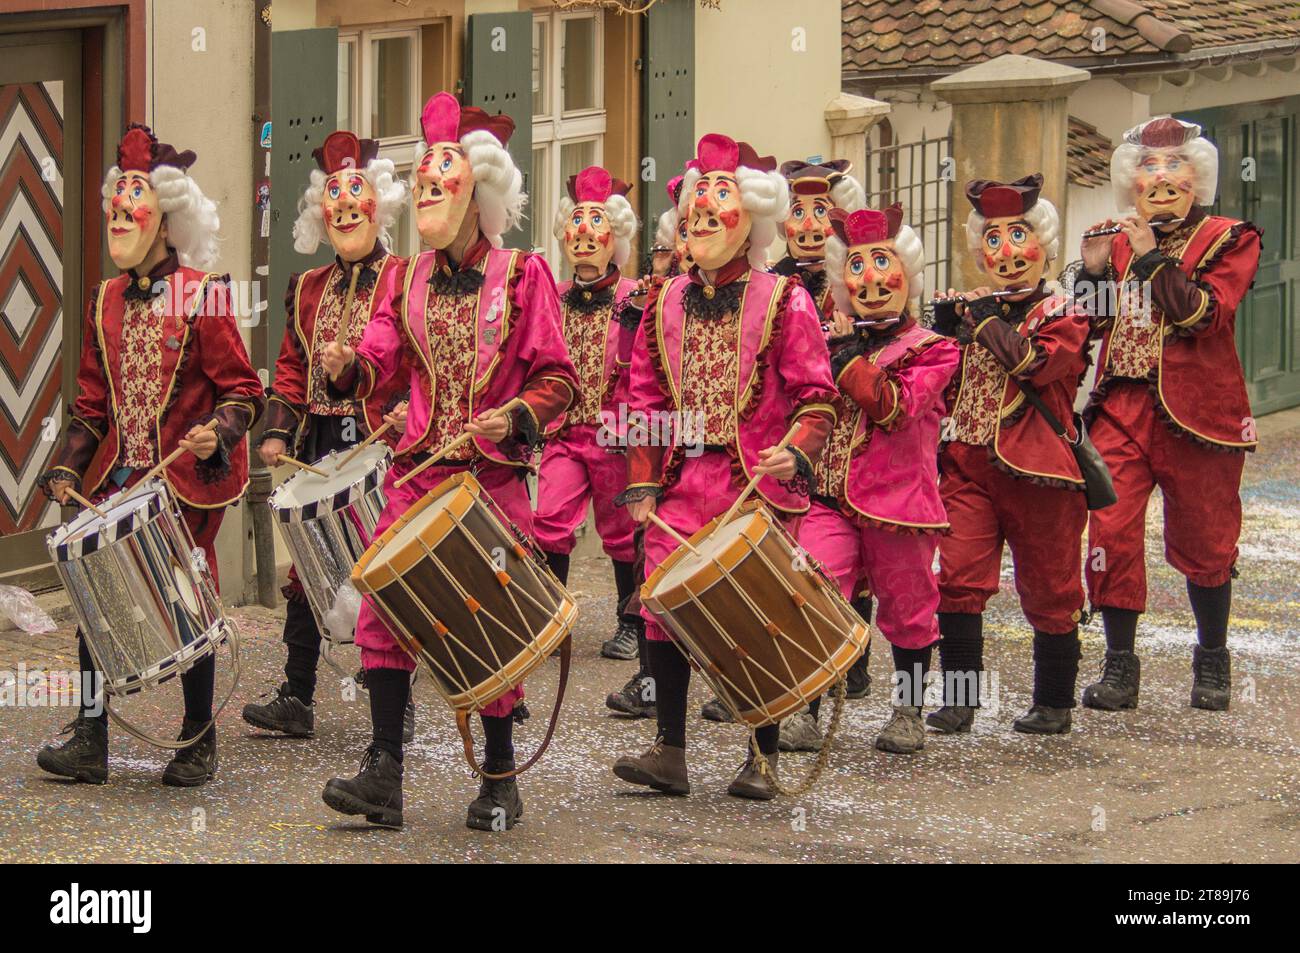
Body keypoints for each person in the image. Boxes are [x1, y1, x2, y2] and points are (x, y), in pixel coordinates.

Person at [318, 93, 578, 831]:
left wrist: (519, 412)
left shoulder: (525, 275)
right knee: (383, 611)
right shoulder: (402, 277)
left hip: (490, 480)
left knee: (487, 621)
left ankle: (500, 776)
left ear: (480, 192)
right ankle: (384, 773)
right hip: (418, 473)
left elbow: (559, 379)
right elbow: (378, 357)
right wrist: (346, 367)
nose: (428, 191)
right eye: (423, 181)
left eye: (445, 180)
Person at [611, 132, 836, 801]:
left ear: (754, 220)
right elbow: (644, 399)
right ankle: (670, 751)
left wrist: (795, 448)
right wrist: (644, 484)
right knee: (659, 606)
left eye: (719, 203)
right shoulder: (664, 301)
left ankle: (761, 757)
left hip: (756, 486)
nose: (701, 217)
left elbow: (816, 395)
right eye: (693, 208)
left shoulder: (786, 298)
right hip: (683, 482)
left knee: (758, 617)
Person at [36, 123, 263, 786]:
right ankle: (90, 736)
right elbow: (88, 401)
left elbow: (245, 391)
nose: (120, 216)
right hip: (120, 476)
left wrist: (217, 430)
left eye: (134, 204)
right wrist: (65, 467)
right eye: (115, 204)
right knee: (93, 590)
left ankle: (198, 738)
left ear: (167, 219)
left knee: (186, 595)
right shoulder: (103, 299)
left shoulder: (207, 292)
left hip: (185, 479)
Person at [1075, 117, 1261, 712]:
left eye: (1176, 165)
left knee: (1206, 537)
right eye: (1149, 167)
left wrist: (1153, 259)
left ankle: (1212, 662)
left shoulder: (1231, 237)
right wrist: (1093, 273)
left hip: (1200, 411)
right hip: (1124, 404)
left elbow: (1200, 314)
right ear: (1130, 179)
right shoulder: (1118, 237)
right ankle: (1120, 667)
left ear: (1198, 176)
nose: (1161, 178)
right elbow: (1090, 324)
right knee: (1110, 531)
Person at [242, 129, 412, 739]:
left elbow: (422, 361)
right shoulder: (307, 287)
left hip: (379, 443)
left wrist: (407, 410)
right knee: (306, 570)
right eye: (333, 200)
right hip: (318, 445)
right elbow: (290, 365)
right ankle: (298, 693)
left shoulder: (404, 278)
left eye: (356, 197)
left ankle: (398, 705)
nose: (344, 209)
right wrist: (278, 430)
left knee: (379, 568)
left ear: (379, 205)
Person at [929, 174, 1092, 737]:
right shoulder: (972, 309)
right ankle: (960, 700)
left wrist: (983, 323)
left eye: (1017, 235)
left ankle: (1053, 703)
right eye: (992, 240)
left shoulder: (1066, 311)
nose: (1006, 253)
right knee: (957, 582)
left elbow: (1034, 364)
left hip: (1041, 473)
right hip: (967, 467)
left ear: (1043, 242)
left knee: (1051, 589)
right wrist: (938, 332)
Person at [797, 205, 959, 755]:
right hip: (828, 499)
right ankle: (805, 710)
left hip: (901, 506)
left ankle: (908, 709)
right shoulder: (830, 340)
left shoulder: (935, 349)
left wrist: (843, 357)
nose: (870, 280)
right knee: (814, 591)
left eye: (882, 264)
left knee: (910, 613)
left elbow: (896, 406)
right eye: (857, 267)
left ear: (908, 276)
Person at [533, 166, 643, 663]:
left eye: (594, 223)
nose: (582, 234)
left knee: (622, 533)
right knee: (548, 516)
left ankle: (631, 622)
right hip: (563, 433)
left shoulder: (636, 300)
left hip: (615, 437)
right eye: (575, 223)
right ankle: (552, 615)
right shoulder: (551, 298)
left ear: (614, 235)